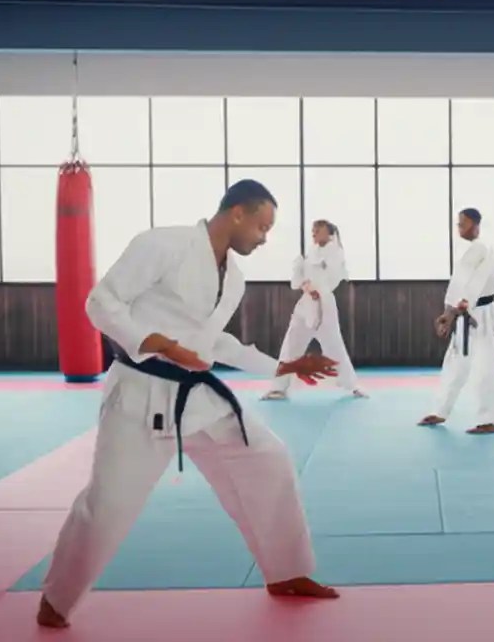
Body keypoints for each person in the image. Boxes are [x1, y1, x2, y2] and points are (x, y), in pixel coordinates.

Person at [36, 180, 341, 629]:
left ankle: (286, 571)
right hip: (140, 394)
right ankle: (55, 600)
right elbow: (101, 301)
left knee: (268, 458)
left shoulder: (232, 278)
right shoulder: (162, 244)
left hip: (197, 394)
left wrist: (286, 365)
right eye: (262, 226)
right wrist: (155, 341)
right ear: (237, 212)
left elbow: (214, 341)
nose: (263, 237)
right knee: (110, 503)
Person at [417, 208, 494, 434]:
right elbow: (457, 284)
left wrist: (461, 306)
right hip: (463, 314)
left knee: (483, 367)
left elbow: (475, 284)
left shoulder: (484, 249)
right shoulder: (468, 251)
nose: (458, 228)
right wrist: (448, 313)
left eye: (462, 224)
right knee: (454, 364)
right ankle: (440, 410)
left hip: (479, 315)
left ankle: (488, 419)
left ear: (474, 224)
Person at [263, 219, 366, 400]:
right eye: (313, 229)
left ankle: (353, 385)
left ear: (329, 233)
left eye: (318, 229)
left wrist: (316, 288)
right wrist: (303, 282)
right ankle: (278, 387)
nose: (314, 232)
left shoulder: (336, 252)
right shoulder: (310, 253)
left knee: (334, 346)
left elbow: (332, 278)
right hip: (305, 304)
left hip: (323, 305)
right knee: (291, 344)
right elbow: (297, 280)